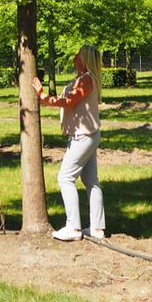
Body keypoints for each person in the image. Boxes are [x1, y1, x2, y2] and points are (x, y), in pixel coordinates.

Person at [32, 44, 106, 242]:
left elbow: (69, 101)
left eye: (78, 55)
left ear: (85, 59)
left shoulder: (87, 80)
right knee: (91, 181)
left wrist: (42, 95)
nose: (74, 57)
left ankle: (73, 227)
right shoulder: (82, 79)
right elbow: (68, 99)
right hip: (87, 135)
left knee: (65, 177)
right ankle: (97, 229)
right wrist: (46, 100)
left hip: (83, 136)